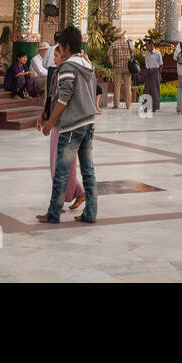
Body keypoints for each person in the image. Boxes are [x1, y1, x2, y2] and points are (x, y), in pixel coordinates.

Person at [37, 26, 97, 225]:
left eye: (60, 46)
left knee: (62, 171)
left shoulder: (68, 67)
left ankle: (53, 213)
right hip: (88, 122)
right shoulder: (87, 64)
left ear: (66, 46)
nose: (59, 50)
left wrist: (50, 122)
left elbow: (63, 98)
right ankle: (91, 213)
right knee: (88, 170)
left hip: (72, 126)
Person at [36, 39, 85, 214]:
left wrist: (49, 122)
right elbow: (52, 97)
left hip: (67, 124)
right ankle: (78, 193)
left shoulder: (69, 71)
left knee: (63, 164)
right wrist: (43, 114)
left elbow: (64, 99)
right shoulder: (58, 72)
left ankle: (58, 203)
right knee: (57, 162)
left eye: (56, 56)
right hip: (59, 123)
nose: (53, 59)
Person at [107, 25, 134, 109]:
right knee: (128, 86)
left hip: (117, 67)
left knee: (117, 86)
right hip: (127, 67)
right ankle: (128, 105)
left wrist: (113, 65)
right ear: (122, 35)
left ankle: (116, 104)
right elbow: (133, 54)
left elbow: (110, 58)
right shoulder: (129, 43)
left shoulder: (113, 44)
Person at [142, 38, 162, 112]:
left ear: (151, 45)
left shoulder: (157, 53)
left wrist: (159, 73)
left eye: (147, 45)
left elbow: (161, 64)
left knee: (155, 90)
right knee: (146, 89)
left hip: (155, 72)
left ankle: (154, 107)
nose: (146, 47)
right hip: (148, 72)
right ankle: (146, 107)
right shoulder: (146, 53)